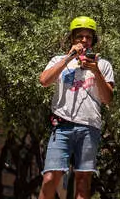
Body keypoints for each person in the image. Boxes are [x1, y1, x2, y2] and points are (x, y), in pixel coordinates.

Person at [38, 17, 115, 199]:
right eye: (79, 36)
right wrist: (68, 58)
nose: (83, 40)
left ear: (93, 40)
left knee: (83, 181)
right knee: (50, 177)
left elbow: (107, 99)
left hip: (89, 127)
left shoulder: (103, 65)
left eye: (88, 37)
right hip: (62, 127)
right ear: (72, 38)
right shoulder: (59, 60)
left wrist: (95, 71)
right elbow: (44, 81)